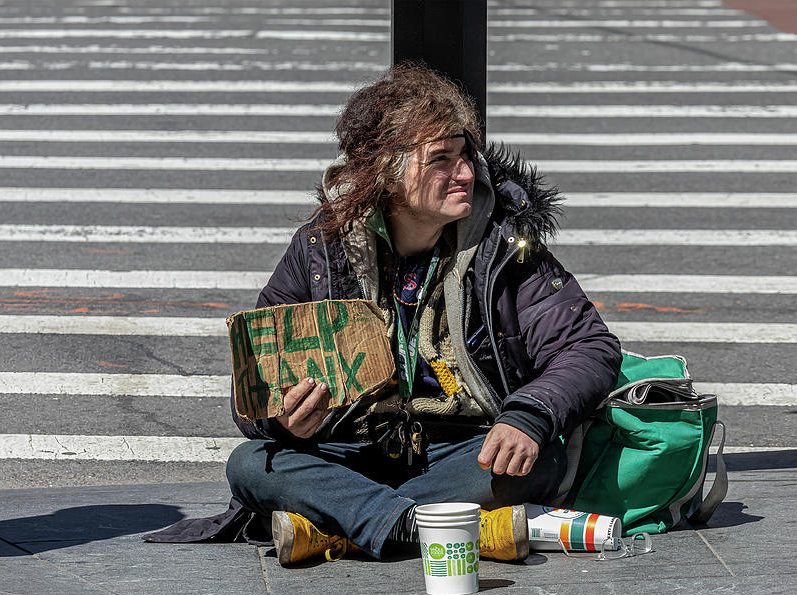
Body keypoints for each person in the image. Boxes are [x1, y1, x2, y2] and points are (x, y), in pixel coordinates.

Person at [223, 62, 622, 566]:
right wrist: (282, 421)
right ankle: (429, 526)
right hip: (350, 451)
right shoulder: (321, 248)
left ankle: (347, 526)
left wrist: (528, 417)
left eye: (464, 155)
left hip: (461, 450)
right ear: (387, 173)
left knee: (537, 459)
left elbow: (587, 346)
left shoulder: (504, 245)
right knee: (250, 464)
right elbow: (254, 386)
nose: (465, 173)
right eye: (441, 160)